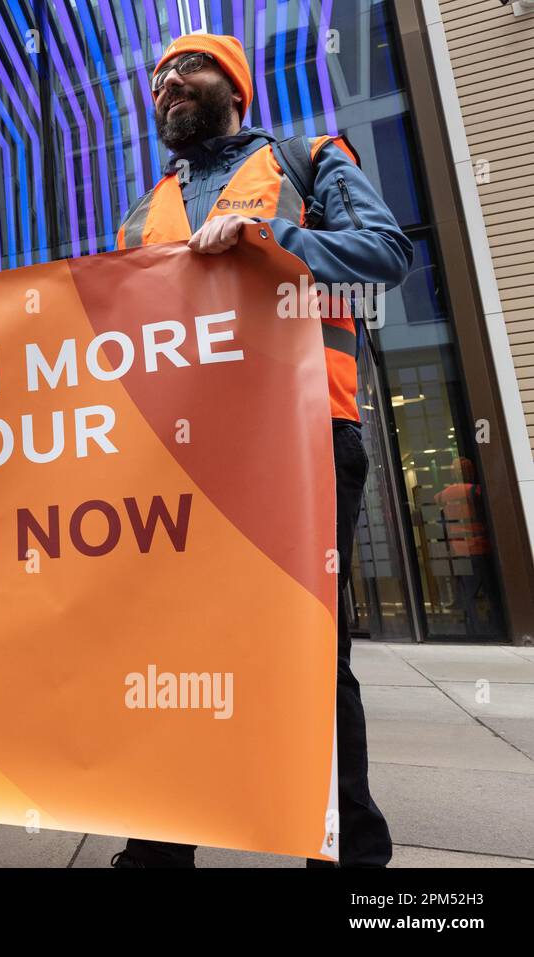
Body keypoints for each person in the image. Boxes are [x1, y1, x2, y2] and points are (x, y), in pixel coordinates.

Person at [110, 33, 411, 868]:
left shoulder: (309, 160)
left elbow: (386, 255)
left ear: (234, 87)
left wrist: (274, 238)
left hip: (306, 432)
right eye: (159, 78)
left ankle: (350, 852)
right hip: (186, 453)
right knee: (176, 646)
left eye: (189, 70)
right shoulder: (141, 214)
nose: (169, 83)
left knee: (309, 644)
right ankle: (160, 846)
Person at [435, 458, 491, 635]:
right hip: (480, 547)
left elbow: (441, 524)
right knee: (489, 592)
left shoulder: (443, 495)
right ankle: (488, 628)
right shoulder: (475, 491)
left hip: (458, 551)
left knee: (467, 593)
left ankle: (473, 629)